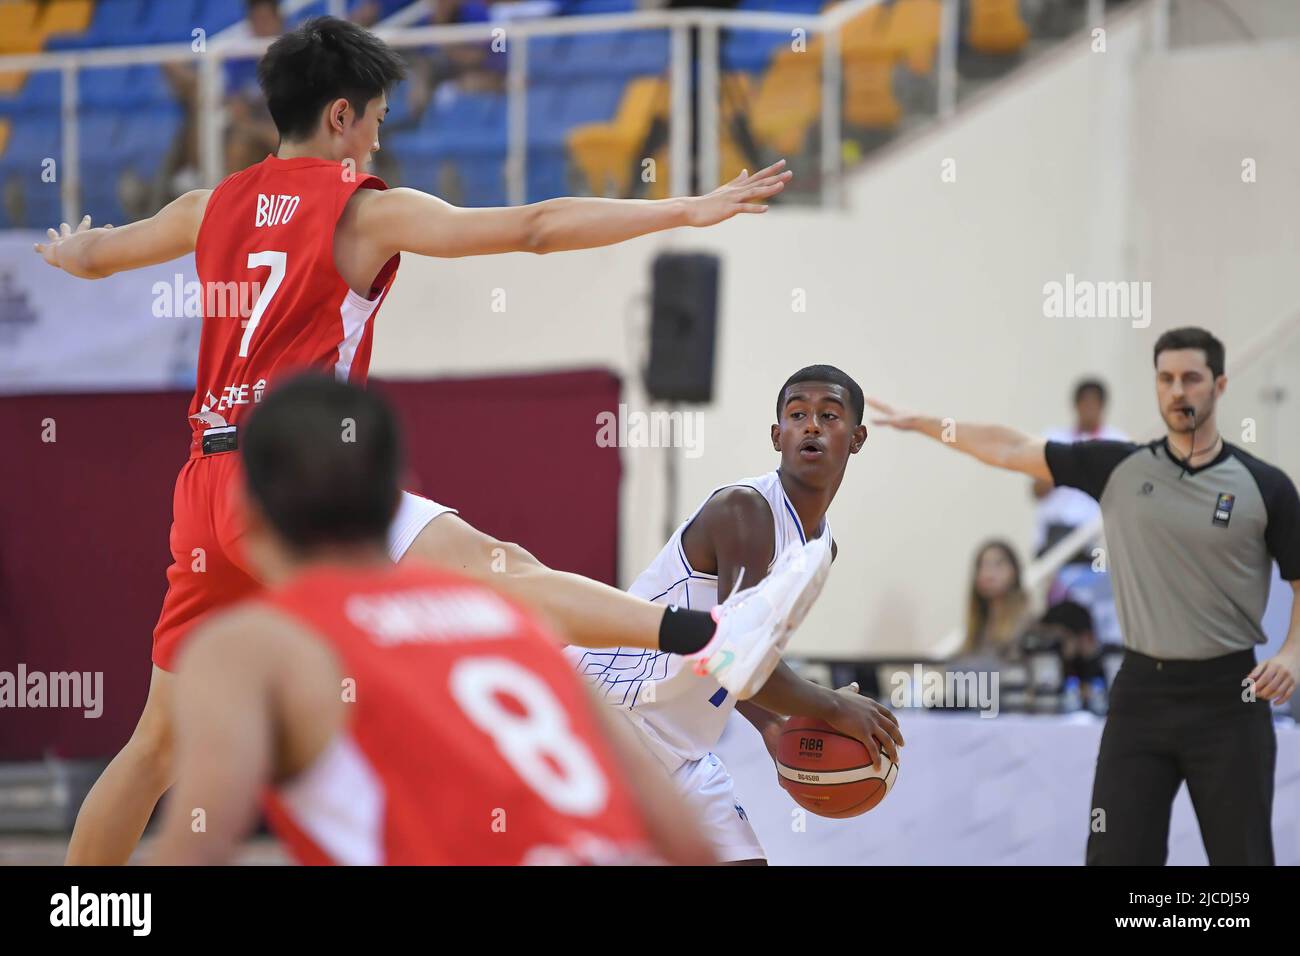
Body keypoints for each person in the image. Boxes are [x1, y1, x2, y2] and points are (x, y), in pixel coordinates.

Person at [35, 16, 819, 865]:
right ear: (340, 116)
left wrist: (68, 248)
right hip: (294, 480)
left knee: (154, 748)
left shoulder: (210, 204)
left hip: (204, 487)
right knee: (503, 575)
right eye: (374, 117)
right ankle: (704, 638)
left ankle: (79, 906)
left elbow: (102, 255)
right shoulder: (364, 212)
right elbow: (535, 226)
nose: (378, 137)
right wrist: (685, 209)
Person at [150, 376, 713, 865]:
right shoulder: (514, 623)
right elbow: (687, 844)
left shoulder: (256, 646)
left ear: (246, 513)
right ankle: (712, 631)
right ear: (402, 498)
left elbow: (198, 850)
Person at [867, 326, 1300, 865]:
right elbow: (1010, 448)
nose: (1177, 390)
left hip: (1229, 696)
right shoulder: (1118, 466)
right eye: (1165, 378)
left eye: (1191, 378)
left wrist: (1290, 652)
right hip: (1142, 691)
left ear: (1220, 384)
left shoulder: (1266, 486)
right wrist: (927, 425)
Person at [569, 365, 904, 863]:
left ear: (857, 439)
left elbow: (744, 661)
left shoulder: (821, 546)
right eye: (797, 415)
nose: (811, 425)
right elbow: (738, 655)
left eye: (828, 415)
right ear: (777, 436)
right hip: (609, 720)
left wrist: (770, 724)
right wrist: (832, 706)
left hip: (682, 749)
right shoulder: (744, 511)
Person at [1031, 377, 1127, 559]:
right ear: (1076, 405)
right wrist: (1063, 463)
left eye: (1094, 403)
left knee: (1094, 583)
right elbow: (1037, 491)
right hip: (1054, 533)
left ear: (1103, 406)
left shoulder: (1117, 441)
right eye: (1085, 402)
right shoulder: (1053, 439)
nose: (1089, 408)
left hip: (1094, 537)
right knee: (1055, 586)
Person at [961, 539, 1032, 661]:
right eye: (982, 565)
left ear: (1014, 571)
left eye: (998, 564)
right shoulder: (979, 623)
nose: (988, 573)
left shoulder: (1026, 621)